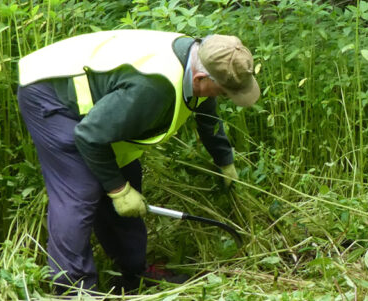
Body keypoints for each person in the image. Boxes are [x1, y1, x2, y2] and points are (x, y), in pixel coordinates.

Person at [16, 29, 261, 294]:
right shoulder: (154, 88)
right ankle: (73, 290)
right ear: (202, 77)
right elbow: (88, 136)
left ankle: (135, 274)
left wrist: (224, 160)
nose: (221, 98)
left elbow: (206, 112)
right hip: (50, 92)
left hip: (103, 111)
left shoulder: (201, 60)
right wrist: (117, 190)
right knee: (80, 189)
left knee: (126, 176)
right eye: (223, 93)